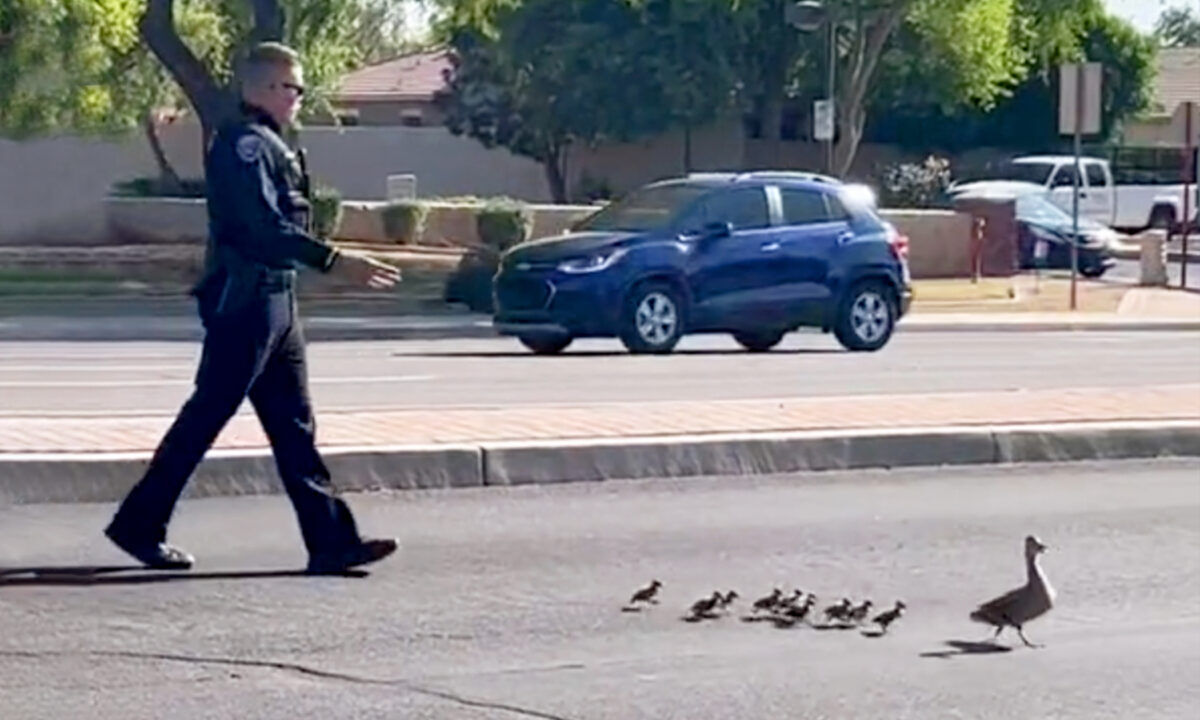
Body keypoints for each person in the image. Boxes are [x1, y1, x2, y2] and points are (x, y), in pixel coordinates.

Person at [103, 42, 403, 575]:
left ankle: (331, 541)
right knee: (207, 415)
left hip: (277, 301)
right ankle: (139, 526)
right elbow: (262, 227)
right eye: (294, 88)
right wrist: (334, 260)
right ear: (265, 89)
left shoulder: (271, 144)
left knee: (294, 426)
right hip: (246, 300)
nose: (299, 98)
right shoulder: (242, 145)